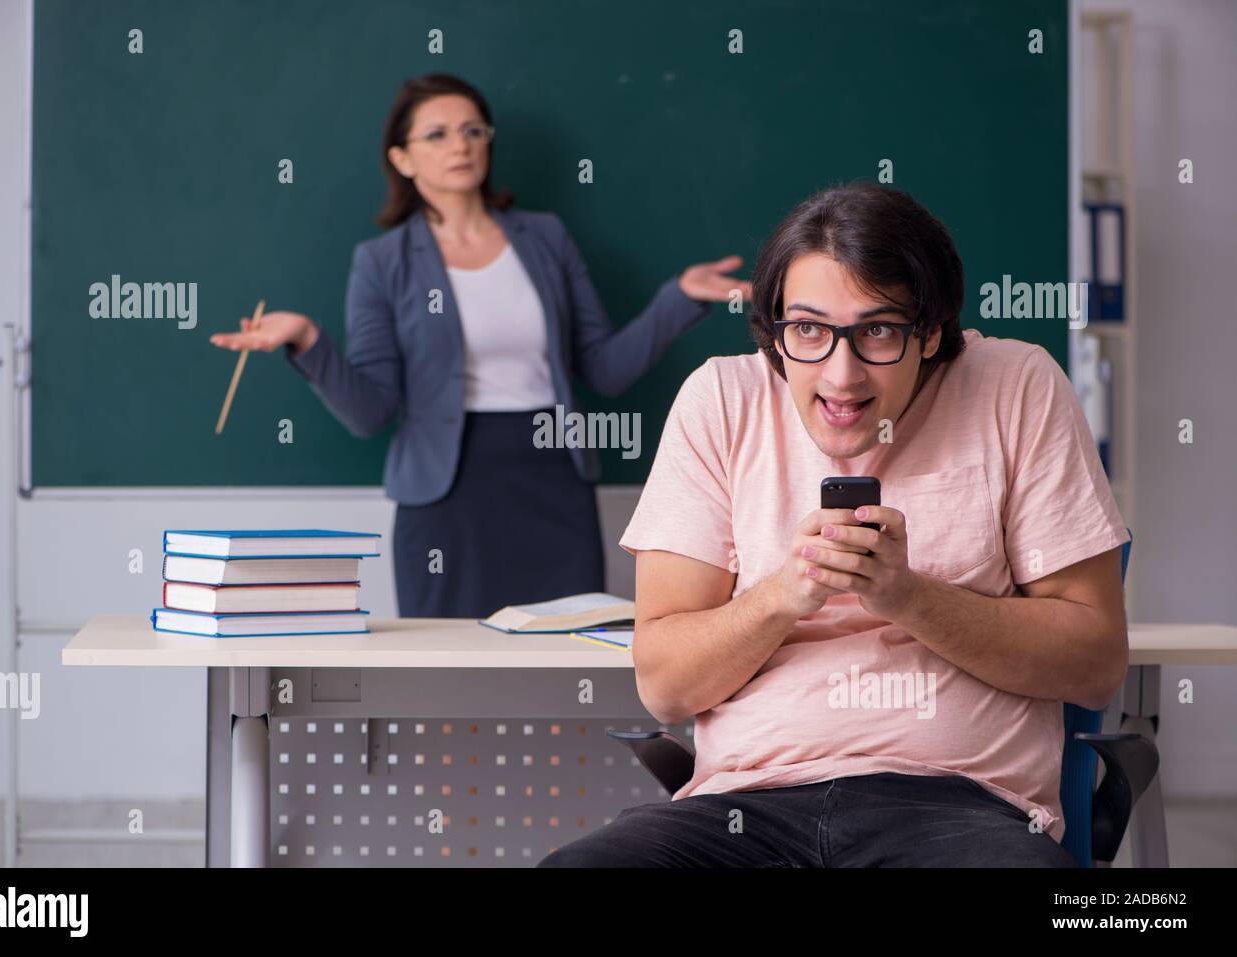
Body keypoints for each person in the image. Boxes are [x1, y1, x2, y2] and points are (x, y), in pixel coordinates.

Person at [539, 182, 1130, 867]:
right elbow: (665, 683)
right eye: (810, 331)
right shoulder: (719, 400)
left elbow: (1095, 661)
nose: (840, 376)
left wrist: (909, 597)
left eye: (877, 330)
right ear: (777, 333)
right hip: (743, 805)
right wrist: (786, 592)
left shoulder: (1016, 386)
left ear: (929, 330)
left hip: (957, 808)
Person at [209, 73, 749, 617]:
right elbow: (370, 413)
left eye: (473, 130)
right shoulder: (382, 261)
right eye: (438, 134)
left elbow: (606, 369)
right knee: (447, 681)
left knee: (562, 667)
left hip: (552, 478)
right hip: (447, 495)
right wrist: (307, 340)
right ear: (402, 159)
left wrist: (677, 299)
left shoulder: (545, 238)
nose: (461, 145)